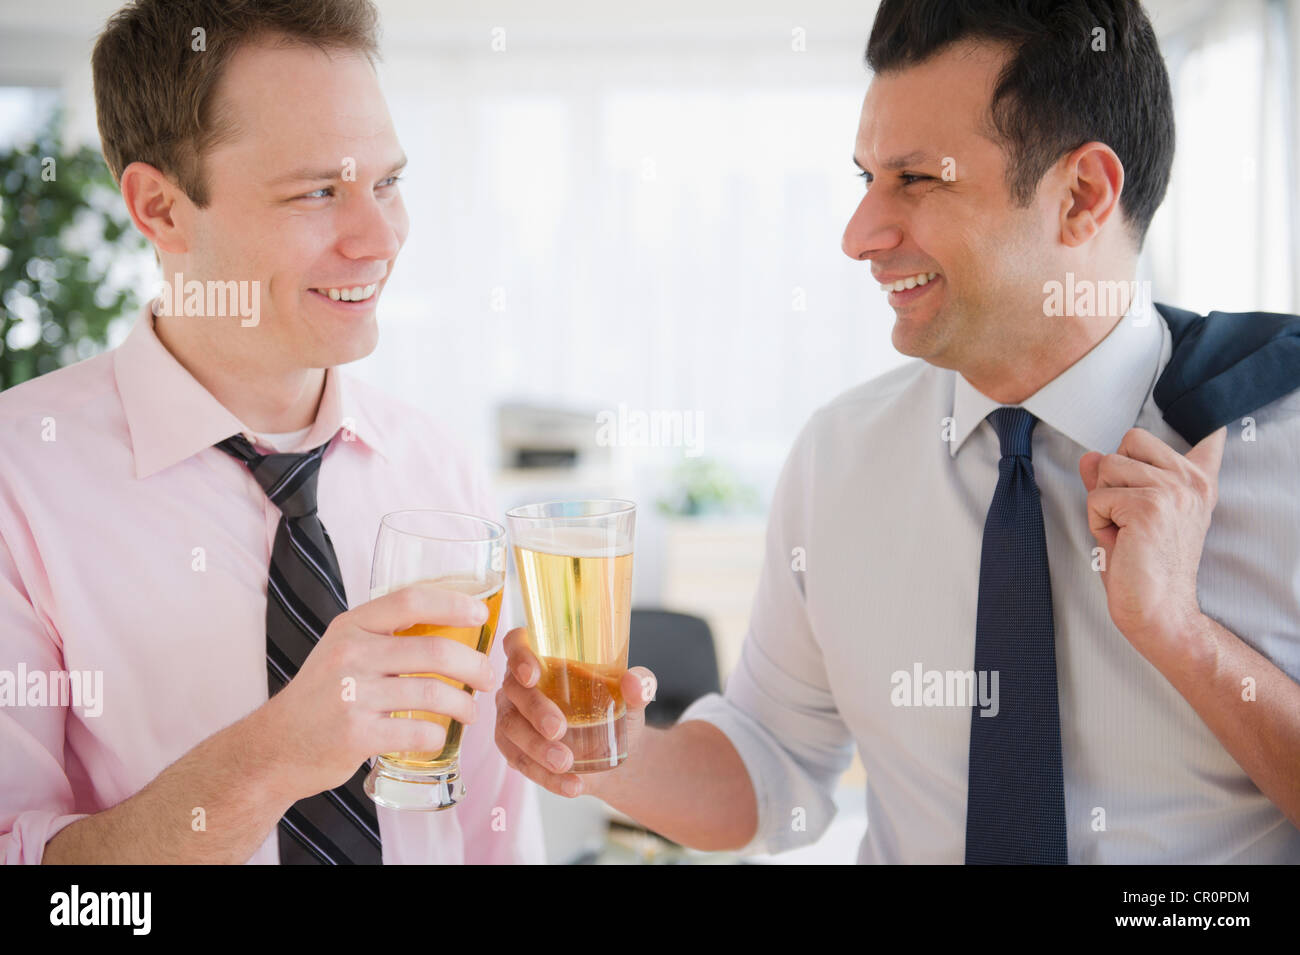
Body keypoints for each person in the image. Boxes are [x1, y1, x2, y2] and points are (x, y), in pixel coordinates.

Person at [494, 0, 1300, 862]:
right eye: (866, 179)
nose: (859, 236)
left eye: (916, 180)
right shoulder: (839, 459)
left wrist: (1184, 637)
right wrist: (613, 753)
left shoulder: (1280, 449)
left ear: (1081, 196)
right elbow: (771, 770)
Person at [0, 0, 543, 864]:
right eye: (318, 192)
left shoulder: (436, 468)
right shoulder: (19, 478)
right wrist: (276, 757)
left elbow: (485, 834)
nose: (380, 239)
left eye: (388, 182)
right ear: (161, 208)